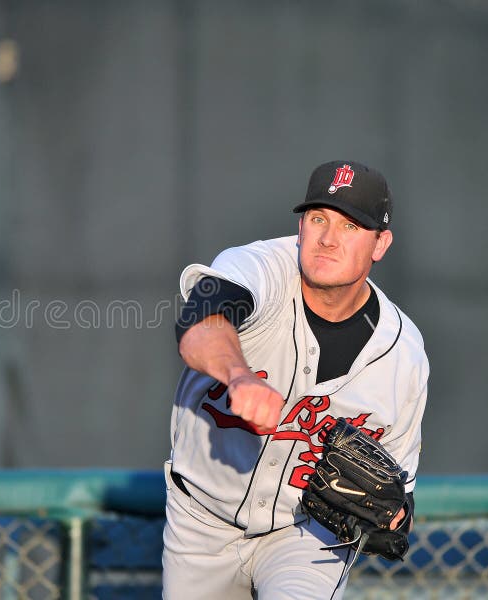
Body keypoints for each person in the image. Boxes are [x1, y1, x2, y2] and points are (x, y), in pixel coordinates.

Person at [162, 161, 429, 599]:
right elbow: (197, 323)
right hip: (201, 520)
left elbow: (401, 501)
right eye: (318, 218)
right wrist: (239, 375)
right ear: (301, 227)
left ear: (381, 244)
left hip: (305, 536)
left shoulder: (403, 357)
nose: (328, 238)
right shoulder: (255, 267)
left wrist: (395, 517)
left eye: (351, 225)